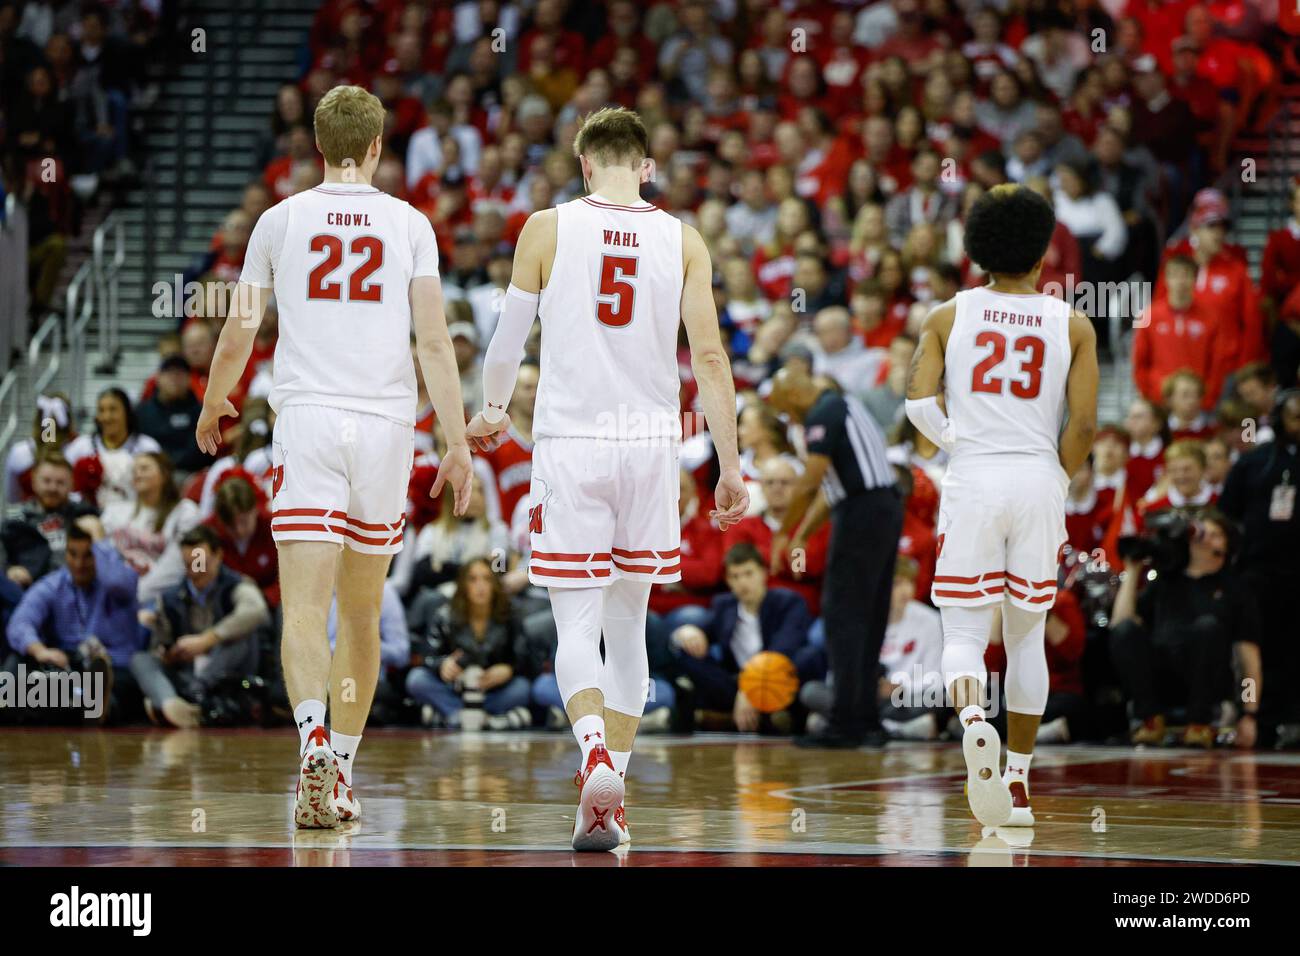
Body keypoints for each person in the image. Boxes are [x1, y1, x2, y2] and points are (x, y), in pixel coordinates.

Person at [464, 107, 748, 851]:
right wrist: (730, 465)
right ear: (646, 167)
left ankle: (591, 751)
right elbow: (711, 360)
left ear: (584, 163)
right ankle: (612, 792)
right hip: (652, 445)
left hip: (573, 441)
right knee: (629, 626)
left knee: (574, 622)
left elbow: (508, 340)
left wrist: (493, 409)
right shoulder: (683, 238)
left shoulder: (546, 227)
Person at [196, 85, 474, 829]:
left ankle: (311, 740)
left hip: (309, 422)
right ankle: (342, 770)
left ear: (317, 148)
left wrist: (217, 400)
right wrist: (454, 441)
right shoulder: (411, 224)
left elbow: (237, 334)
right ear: (379, 146)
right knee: (361, 613)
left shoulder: (279, 220)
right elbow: (435, 343)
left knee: (304, 609)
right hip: (385, 429)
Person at [904, 183, 1098, 827]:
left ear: (976, 252)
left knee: (961, 631)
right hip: (1039, 479)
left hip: (976, 477)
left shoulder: (947, 315)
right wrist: (1056, 477)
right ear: (1044, 255)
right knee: (1027, 636)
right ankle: (1016, 785)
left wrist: (964, 443)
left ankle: (970, 722)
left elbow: (917, 404)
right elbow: (1085, 427)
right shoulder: (1073, 323)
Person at [766, 360, 901, 750]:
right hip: (882, 508)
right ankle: (867, 721)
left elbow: (810, 481)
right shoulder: (843, 404)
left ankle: (845, 723)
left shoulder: (822, 412)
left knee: (842, 616)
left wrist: (784, 533)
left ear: (794, 393)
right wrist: (803, 535)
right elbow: (832, 487)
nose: (788, 417)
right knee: (868, 616)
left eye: (785, 408)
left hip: (862, 514)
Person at [1109, 509, 1261, 749]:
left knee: (1207, 627)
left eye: (1216, 535)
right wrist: (1132, 570)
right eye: (1202, 532)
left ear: (1227, 545)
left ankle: (1199, 723)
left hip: (1207, 684)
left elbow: (1248, 661)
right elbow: (1119, 623)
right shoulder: (1166, 581)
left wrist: (1249, 713)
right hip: (1163, 678)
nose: (1205, 538)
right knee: (1126, 631)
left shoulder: (1236, 591)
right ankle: (1149, 719)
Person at [4, 520, 144, 724]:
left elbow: (116, 581)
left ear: (99, 553)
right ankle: (78, 705)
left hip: (114, 668)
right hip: (69, 668)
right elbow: (20, 622)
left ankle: (89, 705)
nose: (79, 564)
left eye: (88, 555)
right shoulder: (53, 584)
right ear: (65, 553)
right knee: (21, 660)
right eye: (73, 554)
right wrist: (40, 650)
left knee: (117, 685)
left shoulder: (121, 581)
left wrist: (98, 536)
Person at [132, 525, 271, 728]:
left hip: (226, 667)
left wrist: (208, 640)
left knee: (242, 635)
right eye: (189, 564)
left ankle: (182, 700)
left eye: (200, 562)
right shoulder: (170, 598)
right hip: (186, 670)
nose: (195, 569)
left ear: (218, 556)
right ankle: (172, 704)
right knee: (140, 659)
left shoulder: (236, 585)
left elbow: (256, 610)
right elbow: (160, 646)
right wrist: (171, 653)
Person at [670, 543, 816, 732]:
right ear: (728, 580)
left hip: (777, 679)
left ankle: (733, 718)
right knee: (687, 652)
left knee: (808, 657)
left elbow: (783, 649)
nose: (742, 582)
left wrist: (751, 687)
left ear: (763, 573)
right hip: (736, 685)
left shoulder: (788, 602)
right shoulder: (724, 606)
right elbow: (700, 631)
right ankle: (765, 720)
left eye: (748, 574)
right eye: (735, 576)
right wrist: (687, 632)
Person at [405, 557, 532, 728]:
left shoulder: (511, 615)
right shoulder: (445, 614)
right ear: (463, 585)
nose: (480, 586)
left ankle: (450, 717)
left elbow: (525, 659)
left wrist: (508, 670)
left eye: (486, 579)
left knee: (522, 689)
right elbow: (428, 656)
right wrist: (442, 665)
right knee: (417, 680)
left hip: (492, 691)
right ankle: (485, 720)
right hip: (455, 689)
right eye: (473, 579)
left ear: (495, 584)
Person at [2, 455, 98, 587]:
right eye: (47, 481)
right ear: (34, 482)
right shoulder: (16, 520)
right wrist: (9, 569)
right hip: (29, 589)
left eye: (60, 483)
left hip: (78, 585)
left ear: (72, 485)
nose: (53, 488)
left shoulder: (85, 514)